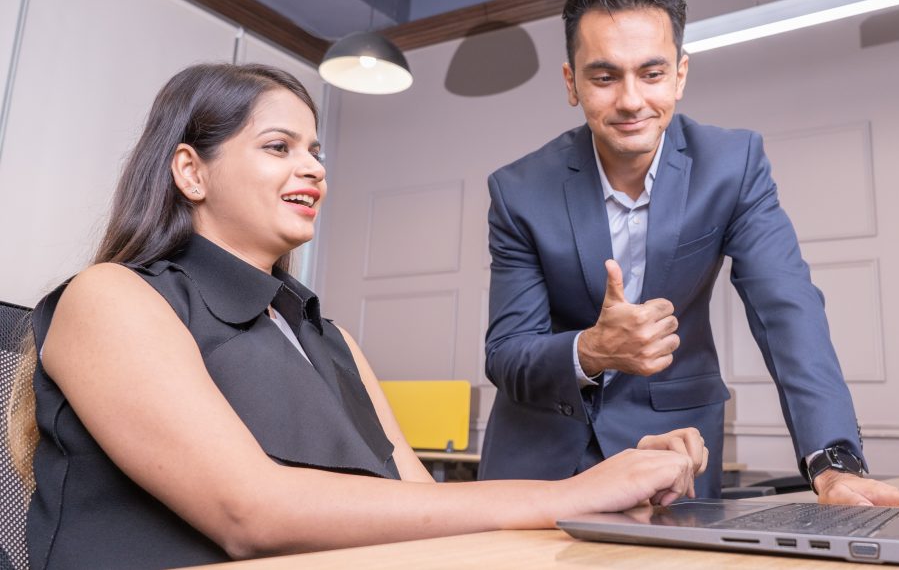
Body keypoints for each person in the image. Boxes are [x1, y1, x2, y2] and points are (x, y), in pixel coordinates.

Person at [7, 63, 710, 569]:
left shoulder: (329, 336)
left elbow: (421, 507)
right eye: (279, 147)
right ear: (191, 172)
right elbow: (250, 512)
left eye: (316, 151)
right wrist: (569, 494)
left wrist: (608, 484)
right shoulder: (111, 297)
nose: (314, 168)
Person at [478, 0, 899, 518]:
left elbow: (787, 309)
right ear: (572, 83)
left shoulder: (732, 166)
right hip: (537, 457)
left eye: (651, 73)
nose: (631, 100)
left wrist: (833, 461)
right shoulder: (518, 191)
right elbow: (507, 352)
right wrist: (592, 349)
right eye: (604, 77)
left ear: (679, 75)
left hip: (672, 457)